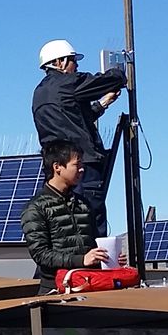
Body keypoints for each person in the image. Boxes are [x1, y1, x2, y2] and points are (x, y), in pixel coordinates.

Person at [20, 141, 110, 335]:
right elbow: (41, 254)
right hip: (52, 296)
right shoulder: (36, 209)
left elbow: (91, 246)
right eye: (76, 165)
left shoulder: (83, 206)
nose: (82, 169)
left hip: (83, 295)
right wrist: (79, 259)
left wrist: (106, 257)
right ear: (58, 167)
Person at [31, 39, 127, 236]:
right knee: (91, 227)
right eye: (74, 61)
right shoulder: (68, 83)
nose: (77, 66)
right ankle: (93, 267)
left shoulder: (39, 93)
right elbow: (109, 80)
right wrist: (118, 69)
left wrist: (103, 103)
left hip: (55, 172)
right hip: (82, 168)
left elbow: (72, 120)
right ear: (60, 62)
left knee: (66, 229)